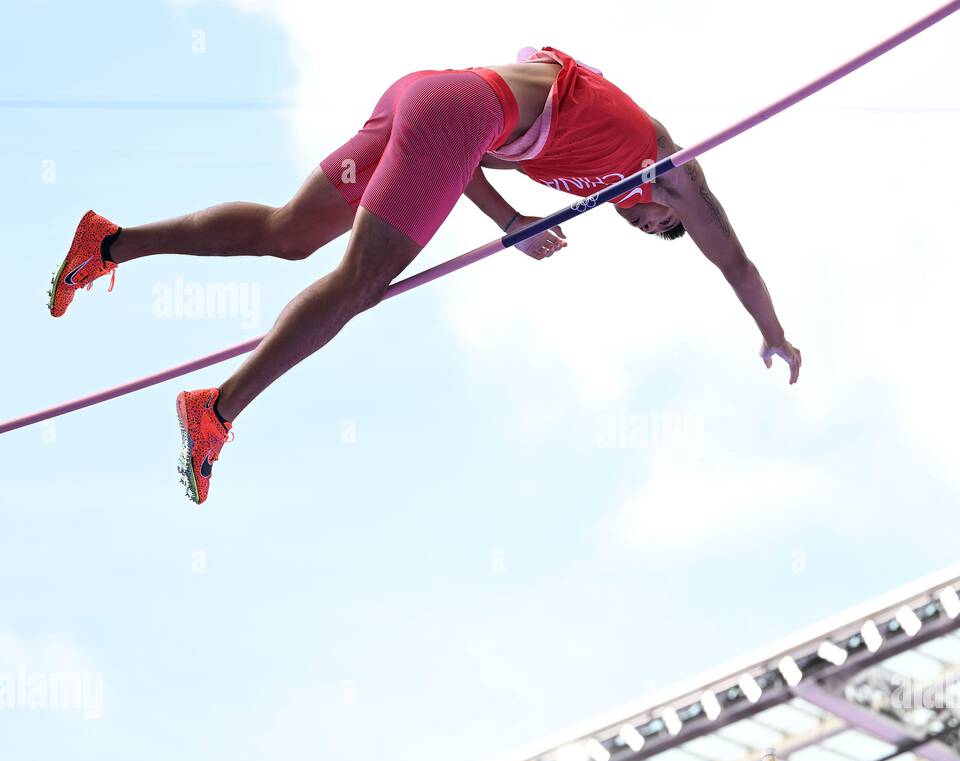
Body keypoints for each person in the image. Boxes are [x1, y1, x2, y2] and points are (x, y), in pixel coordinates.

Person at [47, 47, 802, 504]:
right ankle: (217, 407)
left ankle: (109, 244)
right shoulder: (670, 176)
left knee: (289, 233)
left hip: (427, 96)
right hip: (451, 113)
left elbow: (470, 145)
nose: (648, 224)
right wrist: (773, 333)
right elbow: (731, 256)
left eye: (653, 225)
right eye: (658, 226)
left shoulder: (595, 156)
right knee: (360, 282)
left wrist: (509, 220)